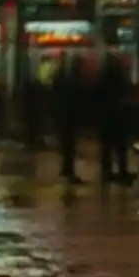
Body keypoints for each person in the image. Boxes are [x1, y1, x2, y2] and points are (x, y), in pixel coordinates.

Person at [95, 50, 133, 184]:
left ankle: (107, 172)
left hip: (105, 117)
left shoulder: (101, 76)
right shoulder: (119, 75)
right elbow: (126, 91)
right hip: (118, 115)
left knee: (107, 147)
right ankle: (122, 171)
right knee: (120, 146)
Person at [52, 55, 83, 184]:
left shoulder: (61, 78)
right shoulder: (74, 81)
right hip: (69, 116)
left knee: (66, 144)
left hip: (62, 115)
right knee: (69, 145)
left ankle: (65, 169)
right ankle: (69, 171)